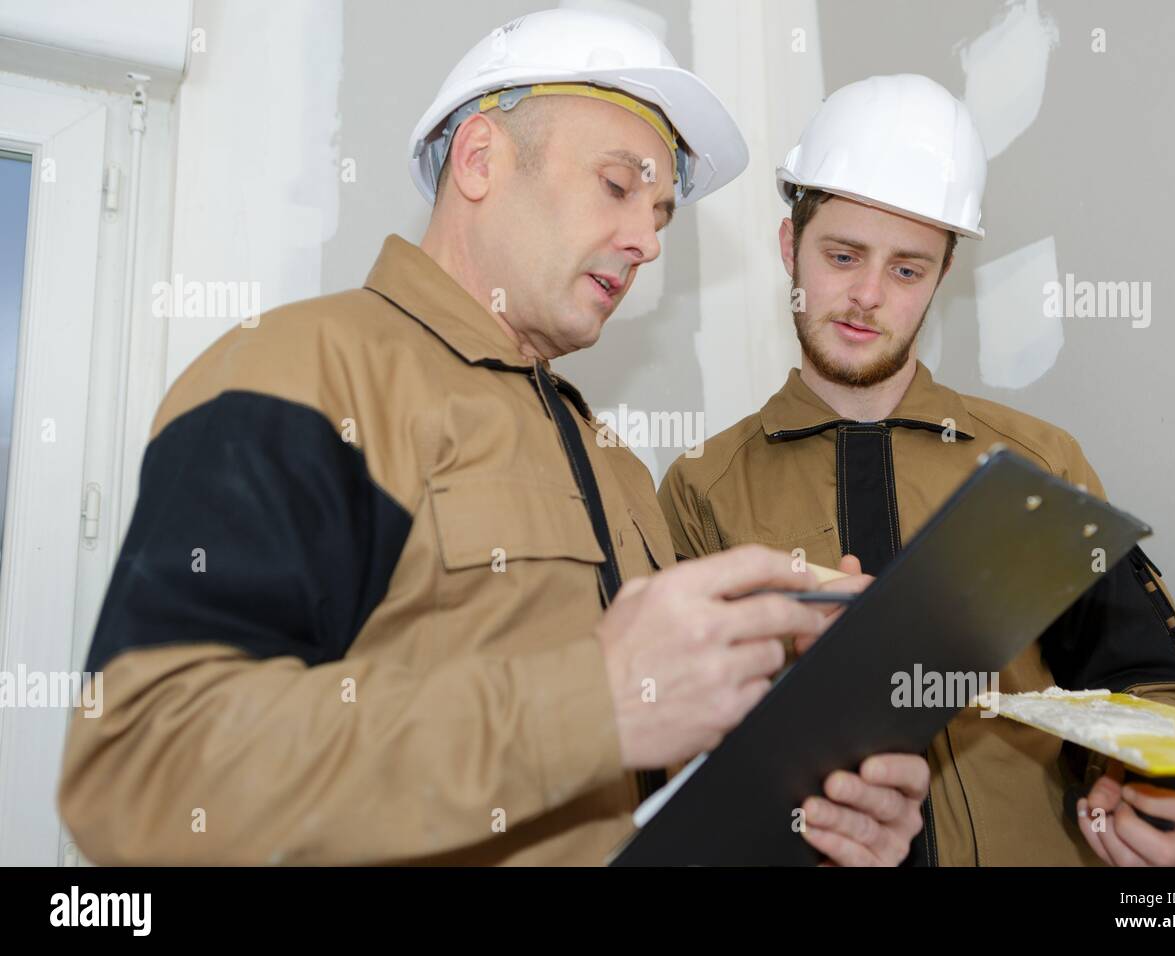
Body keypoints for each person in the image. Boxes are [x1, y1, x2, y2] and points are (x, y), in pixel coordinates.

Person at [59, 10, 924, 866]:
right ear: (479, 160)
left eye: (661, 212)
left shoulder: (612, 460)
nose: (648, 240)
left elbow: (628, 791)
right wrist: (593, 701)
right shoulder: (304, 371)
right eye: (619, 187)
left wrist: (803, 805)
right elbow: (147, 772)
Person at [658, 74, 1175, 866]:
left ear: (943, 277)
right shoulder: (700, 487)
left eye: (908, 270)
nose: (867, 297)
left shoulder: (1034, 465)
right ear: (790, 248)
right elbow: (679, 745)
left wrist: (1150, 784)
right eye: (842, 256)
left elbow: (1143, 677)